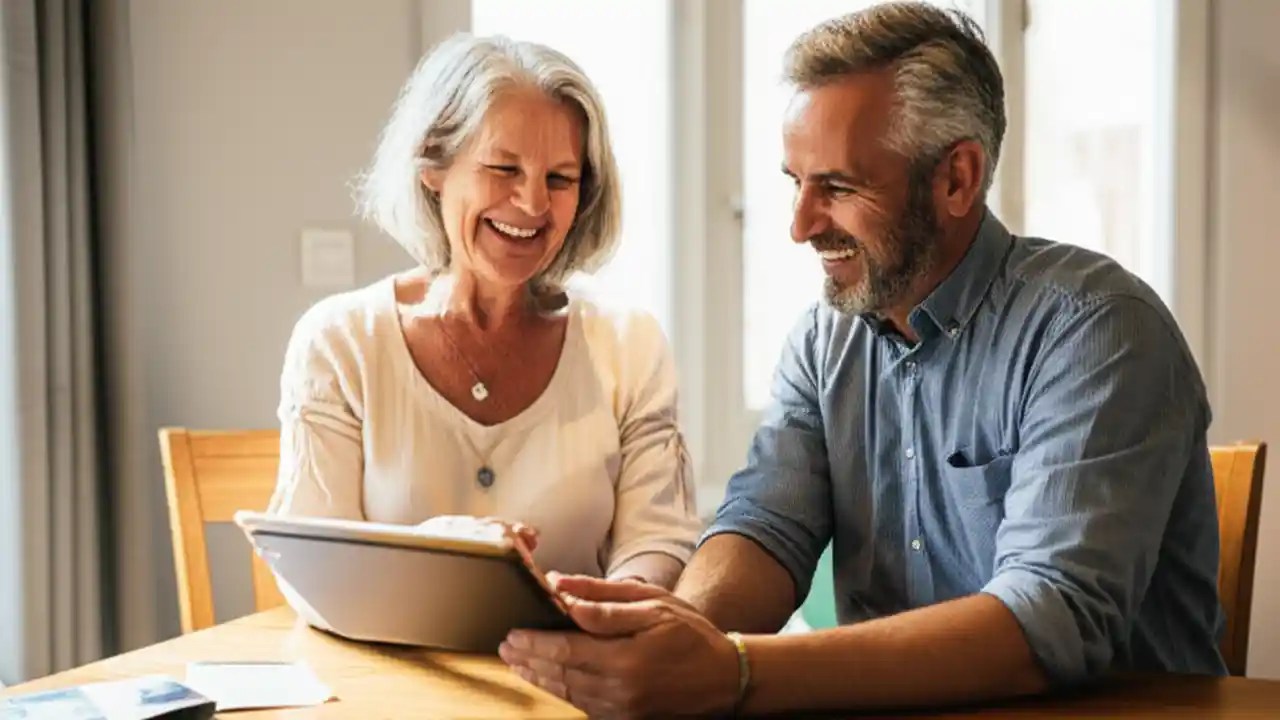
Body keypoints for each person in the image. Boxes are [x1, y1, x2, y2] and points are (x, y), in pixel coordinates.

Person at [498, 3, 1226, 717]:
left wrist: (735, 670)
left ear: (957, 179)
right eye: (796, 183)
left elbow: (1050, 619)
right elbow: (764, 528)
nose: (800, 225)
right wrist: (676, 632)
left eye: (839, 188)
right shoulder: (826, 339)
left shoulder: (1097, 331)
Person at [266, 32, 701, 612]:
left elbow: (657, 539)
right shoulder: (341, 342)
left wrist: (617, 604)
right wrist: (444, 552)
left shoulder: (629, 344)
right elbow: (312, 567)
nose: (533, 205)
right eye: (503, 168)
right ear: (434, 168)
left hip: (571, 683)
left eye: (560, 179)